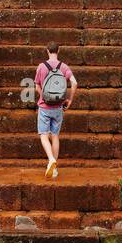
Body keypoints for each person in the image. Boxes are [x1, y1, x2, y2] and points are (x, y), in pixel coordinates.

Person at [34, 42, 77, 179]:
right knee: (55, 136)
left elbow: (36, 87)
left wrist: (44, 97)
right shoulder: (63, 67)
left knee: (43, 135)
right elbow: (74, 82)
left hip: (44, 106)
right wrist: (69, 99)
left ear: (47, 50)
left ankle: (51, 159)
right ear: (59, 50)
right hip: (58, 107)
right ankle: (55, 168)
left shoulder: (41, 67)